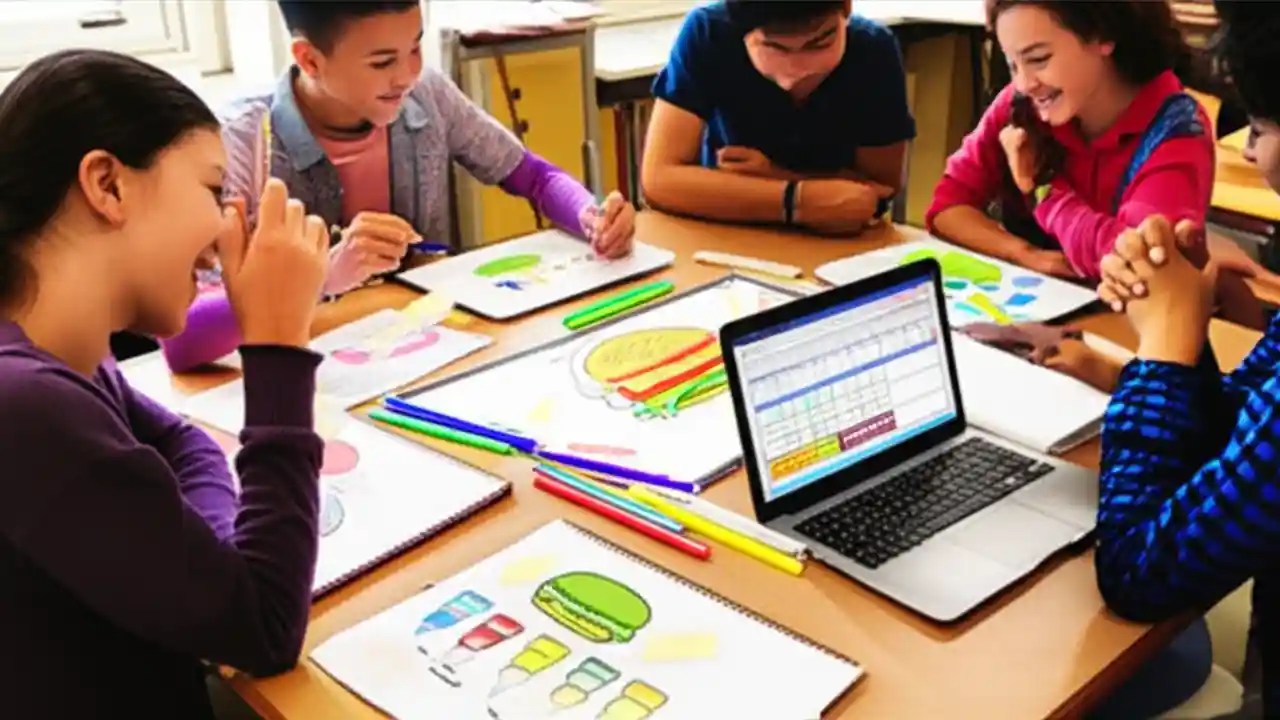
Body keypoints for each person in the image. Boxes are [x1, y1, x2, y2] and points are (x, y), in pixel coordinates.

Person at [0, 49, 331, 717]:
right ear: (108, 185)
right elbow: (265, 625)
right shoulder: (25, 406)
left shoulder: (69, 355)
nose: (224, 229)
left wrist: (207, 552)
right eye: (213, 190)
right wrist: (274, 345)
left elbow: (186, 446)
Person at [161, 0, 637, 372]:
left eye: (416, 47)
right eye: (382, 61)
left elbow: (534, 176)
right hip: (315, 385)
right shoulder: (243, 141)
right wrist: (321, 277)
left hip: (433, 352)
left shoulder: (426, 92)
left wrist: (588, 215)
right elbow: (182, 336)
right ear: (308, 58)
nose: (408, 74)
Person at [1092, 1, 1280, 716]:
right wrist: (1186, 328)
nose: (1251, 152)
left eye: (1260, 127)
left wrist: (1167, 339)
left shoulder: (1169, 123)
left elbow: (1140, 570)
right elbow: (1240, 448)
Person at [927, 0, 1264, 329]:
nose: (1023, 83)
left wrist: (1044, 190)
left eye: (1039, 59)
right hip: (1049, 325)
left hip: (1138, 339)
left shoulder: (1176, 130)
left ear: (1103, 37)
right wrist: (1024, 253)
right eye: (1012, 64)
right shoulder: (1023, 106)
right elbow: (947, 208)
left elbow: (1138, 265)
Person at [640, 0, 915, 235]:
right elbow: (659, 179)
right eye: (773, 47)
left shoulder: (873, 50)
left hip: (836, 243)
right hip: (727, 232)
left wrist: (773, 175)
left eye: (821, 42)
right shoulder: (708, 32)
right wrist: (795, 201)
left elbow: (880, 190)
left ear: (846, 7)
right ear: (740, 30)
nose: (795, 71)